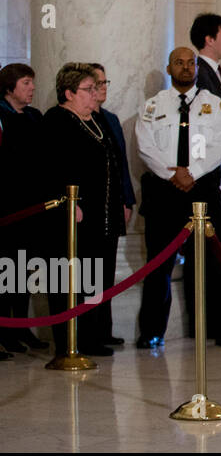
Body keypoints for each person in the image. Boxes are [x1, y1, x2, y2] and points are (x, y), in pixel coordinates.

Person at [134, 48, 221, 349]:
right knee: (159, 265)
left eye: (190, 63)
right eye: (179, 63)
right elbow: (145, 146)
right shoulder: (154, 106)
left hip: (203, 188)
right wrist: (172, 175)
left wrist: (192, 171)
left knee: (217, 262)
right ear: (169, 68)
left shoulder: (213, 105)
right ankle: (152, 331)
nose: (186, 68)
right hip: (165, 192)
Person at [40, 63, 123, 357]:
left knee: (95, 277)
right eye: (88, 90)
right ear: (69, 93)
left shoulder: (95, 121)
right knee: (70, 278)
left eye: (96, 88)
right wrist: (70, 202)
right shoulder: (57, 120)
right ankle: (68, 342)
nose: (95, 94)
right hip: (72, 215)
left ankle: (91, 336)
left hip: (101, 216)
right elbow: (52, 167)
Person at [0, 63, 47, 355]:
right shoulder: (1, 116)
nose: (31, 88)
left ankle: (20, 326)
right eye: (26, 82)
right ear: (10, 86)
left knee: (24, 271)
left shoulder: (33, 116)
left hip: (31, 206)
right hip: (7, 207)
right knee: (5, 270)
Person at [87, 63, 134, 348]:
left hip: (113, 206)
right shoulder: (77, 120)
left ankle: (104, 329)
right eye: (98, 83)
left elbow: (121, 164)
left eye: (106, 82)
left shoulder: (111, 119)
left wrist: (128, 199)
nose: (103, 88)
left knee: (106, 273)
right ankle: (90, 333)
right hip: (91, 211)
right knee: (92, 274)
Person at [191, 13, 221, 205]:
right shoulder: (200, 73)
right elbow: (203, 128)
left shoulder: (217, 71)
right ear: (209, 40)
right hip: (213, 171)